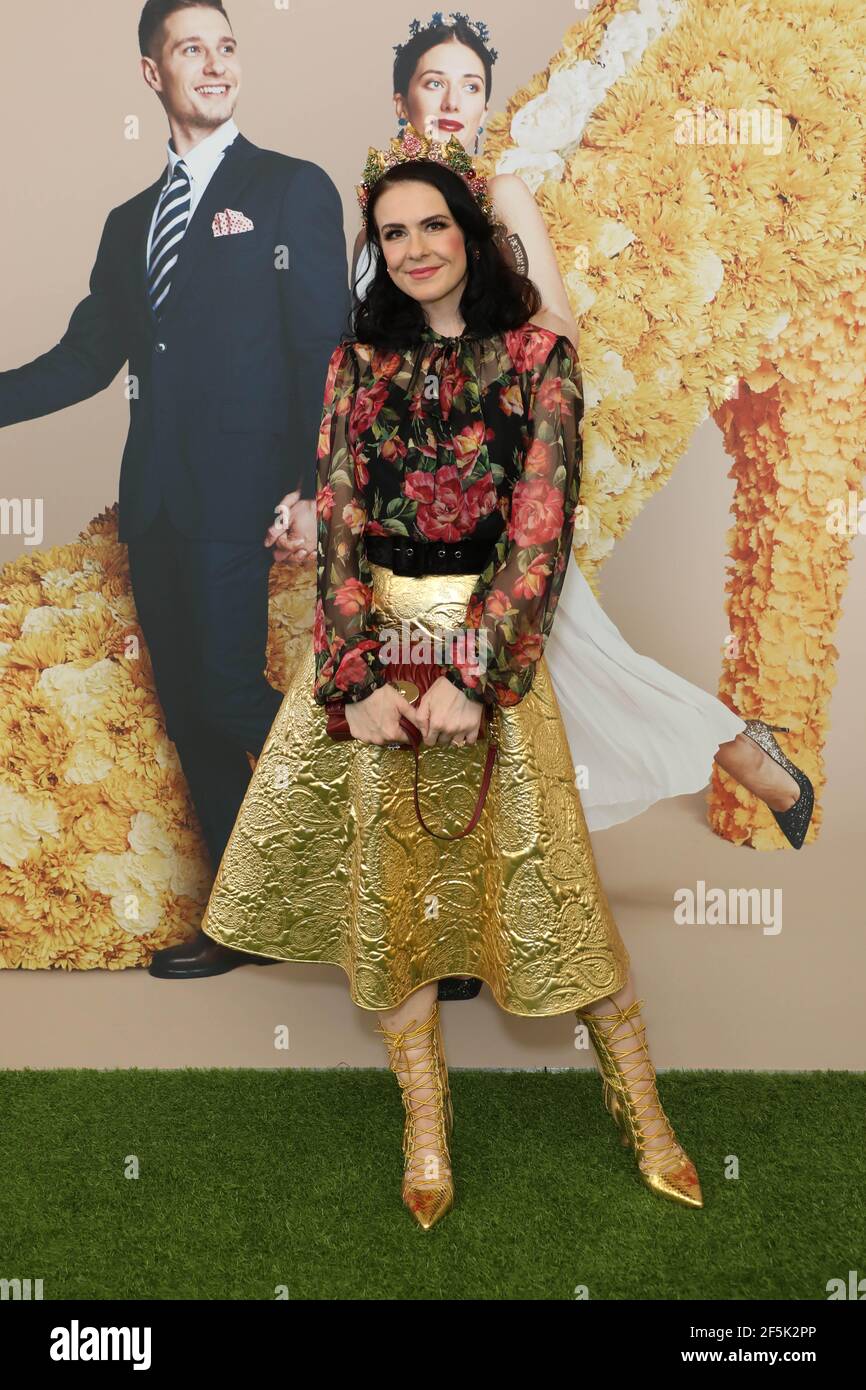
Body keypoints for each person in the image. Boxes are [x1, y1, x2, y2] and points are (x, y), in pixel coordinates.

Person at [198, 134, 706, 1230]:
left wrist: (475, 676)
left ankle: (644, 1113)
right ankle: (425, 1125)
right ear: (372, 252)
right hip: (373, 659)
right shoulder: (353, 365)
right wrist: (352, 682)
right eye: (392, 232)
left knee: (555, 897)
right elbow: (334, 529)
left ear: (471, 234)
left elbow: (539, 536)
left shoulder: (538, 359)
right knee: (392, 907)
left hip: (492, 664)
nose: (415, 247)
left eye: (433, 224)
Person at [339, 12, 815, 1005]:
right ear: (402, 98)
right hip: (407, 501)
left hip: (501, 480)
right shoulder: (381, 205)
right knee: (468, 685)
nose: (451, 100)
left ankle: (741, 753)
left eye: (468, 84)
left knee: (555, 667)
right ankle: (472, 919)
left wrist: (466, 357)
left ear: (484, 100)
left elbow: (553, 326)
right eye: (433, 82)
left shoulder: (498, 192)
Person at [0, 0, 351, 980]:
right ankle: (248, 922)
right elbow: (79, 362)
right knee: (192, 710)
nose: (214, 63)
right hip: (156, 505)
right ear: (152, 74)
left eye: (225, 46)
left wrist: (313, 491)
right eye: (189, 49)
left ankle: (412, 901)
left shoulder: (289, 191)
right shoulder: (126, 229)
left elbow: (326, 352)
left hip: (245, 499)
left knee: (238, 693)